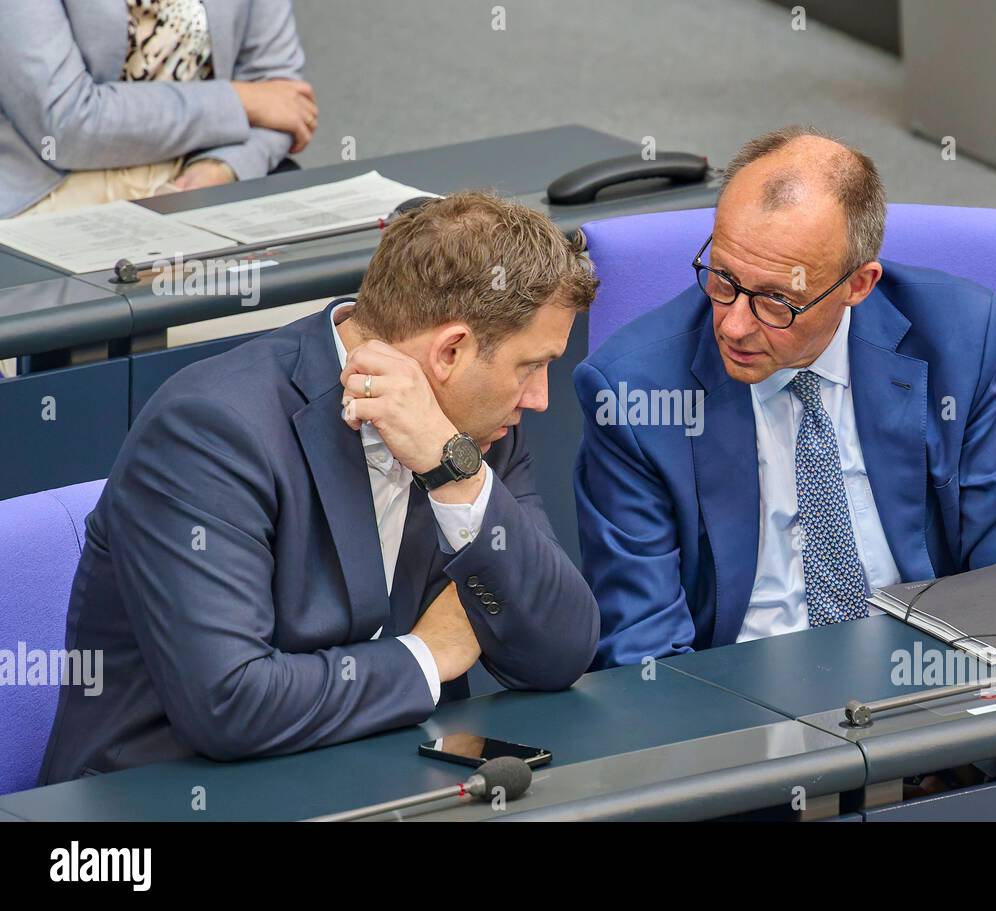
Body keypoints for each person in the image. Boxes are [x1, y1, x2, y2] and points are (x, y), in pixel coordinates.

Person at [39, 191, 601, 783]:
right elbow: (231, 704)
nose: (539, 398)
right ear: (451, 351)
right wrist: (430, 655)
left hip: (380, 780)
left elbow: (561, 649)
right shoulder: (211, 429)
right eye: (530, 366)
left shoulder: (471, 433)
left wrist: (450, 471)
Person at [574, 126, 996, 668]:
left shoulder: (960, 337)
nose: (733, 326)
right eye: (723, 280)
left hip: (932, 676)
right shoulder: (633, 391)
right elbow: (644, 650)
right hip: (739, 705)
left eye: (777, 301)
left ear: (859, 285)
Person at [0, 0, 316, 218]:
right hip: (56, 195)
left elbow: (284, 98)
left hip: (203, 185)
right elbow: (67, 126)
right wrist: (239, 101)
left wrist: (223, 167)